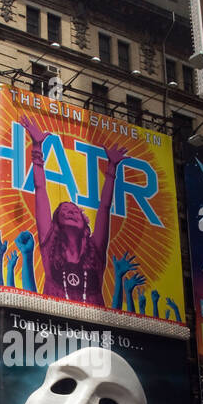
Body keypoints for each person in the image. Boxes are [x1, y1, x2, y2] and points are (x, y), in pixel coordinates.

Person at [19, 114, 128, 306]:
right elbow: (40, 190)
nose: (70, 212)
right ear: (56, 223)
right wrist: (37, 148)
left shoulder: (96, 249)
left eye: (75, 211)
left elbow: (104, 207)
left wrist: (112, 169)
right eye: (64, 211)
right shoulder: (49, 245)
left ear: (84, 223)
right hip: (51, 328)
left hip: (95, 331)